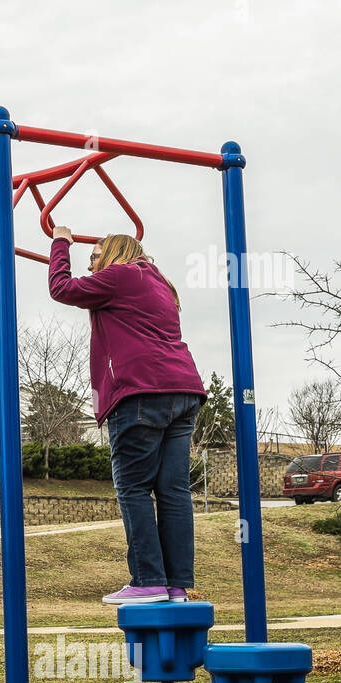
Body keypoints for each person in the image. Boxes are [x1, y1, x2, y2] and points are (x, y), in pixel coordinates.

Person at [47, 227, 206, 605]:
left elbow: (62, 288)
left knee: (133, 488)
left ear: (116, 253)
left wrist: (61, 243)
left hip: (141, 393)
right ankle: (176, 584)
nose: (92, 265)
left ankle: (149, 579)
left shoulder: (120, 276)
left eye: (96, 255)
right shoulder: (159, 283)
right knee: (173, 492)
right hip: (183, 391)